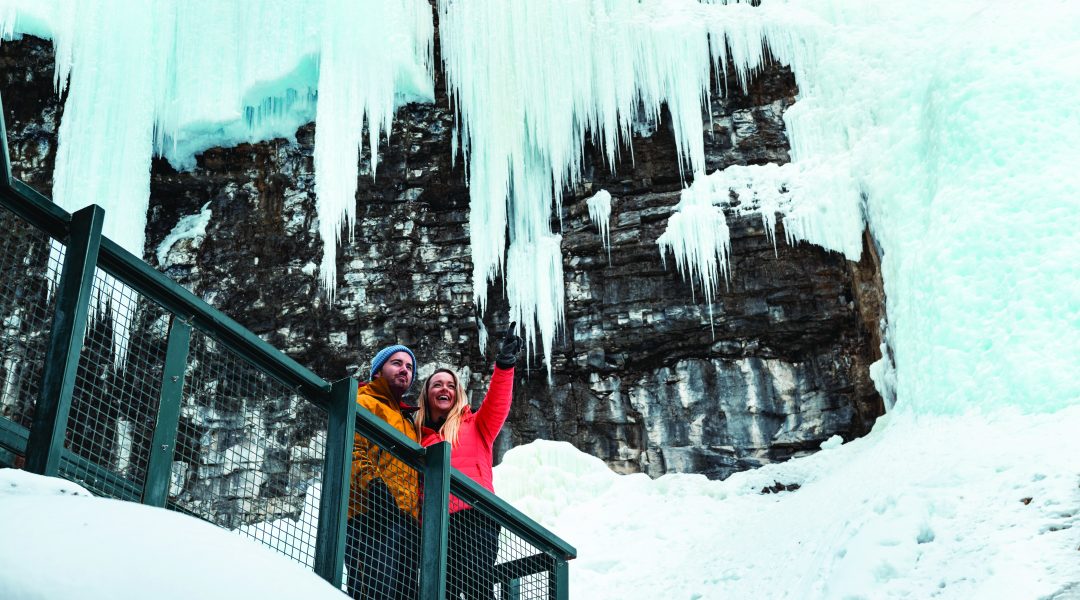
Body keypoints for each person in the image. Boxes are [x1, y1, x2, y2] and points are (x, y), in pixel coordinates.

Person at [414, 324, 522, 600]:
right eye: (437, 384)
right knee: (441, 591)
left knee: (478, 587)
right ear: (427, 394)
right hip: (435, 525)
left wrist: (504, 366)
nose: (444, 389)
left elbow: (498, 402)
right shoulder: (416, 437)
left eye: (451, 385)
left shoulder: (476, 425)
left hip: (476, 516)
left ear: (457, 394)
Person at [347, 344, 422, 600]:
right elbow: (352, 448)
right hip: (369, 515)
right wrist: (374, 486)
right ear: (378, 372)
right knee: (374, 591)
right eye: (397, 363)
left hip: (405, 522)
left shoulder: (408, 421)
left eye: (409, 367)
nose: (405, 369)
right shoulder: (364, 401)